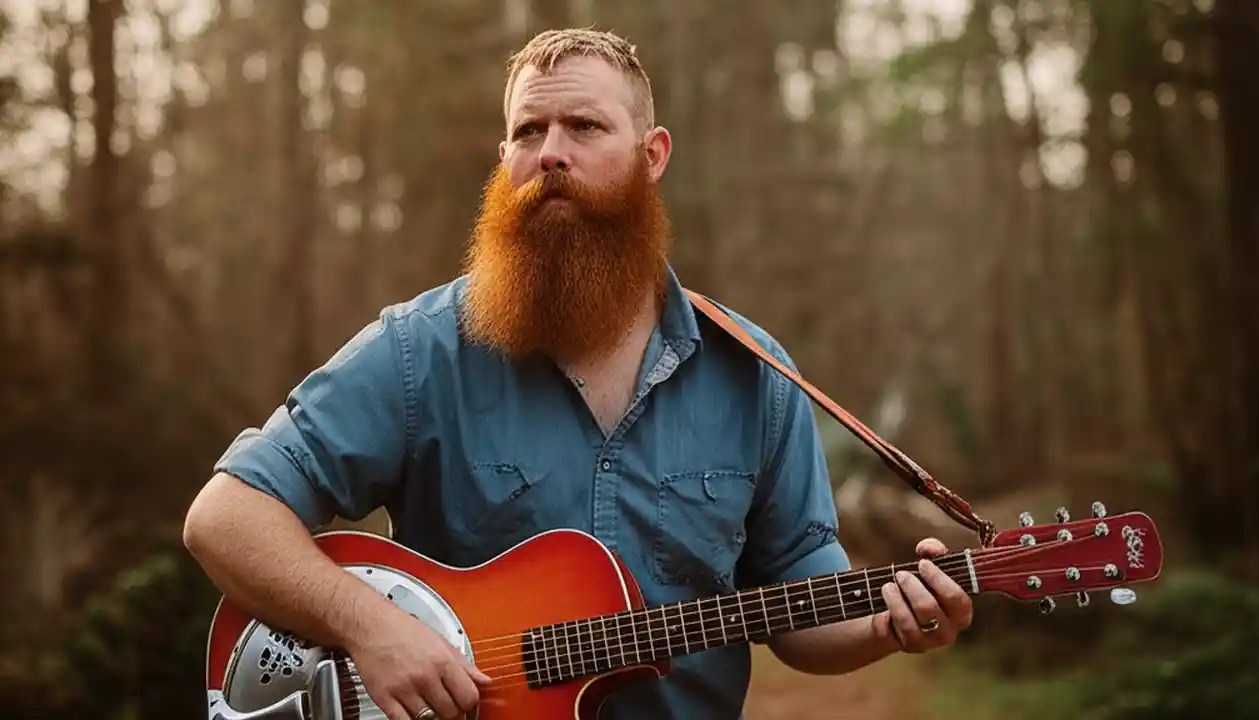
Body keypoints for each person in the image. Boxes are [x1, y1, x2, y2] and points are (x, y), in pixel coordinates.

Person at [182, 27, 973, 720]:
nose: (551, 150)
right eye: (529, 131)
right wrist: (371, 628)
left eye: (585, 126)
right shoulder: (421, 351)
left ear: (651, 155)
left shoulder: (755, 376)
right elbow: (224, 518)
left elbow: (805, 607)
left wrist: (886, 624)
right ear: (504, 161)